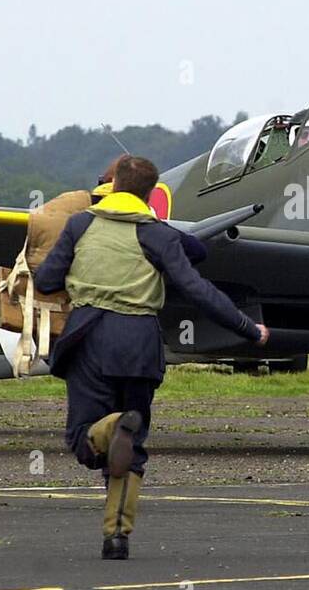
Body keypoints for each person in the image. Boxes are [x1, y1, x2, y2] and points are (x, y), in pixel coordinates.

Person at [35, 155, 268, 560]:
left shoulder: (80, 225)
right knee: (134, 447)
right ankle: (116, 538)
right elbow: (198, 287)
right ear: (150, 194)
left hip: (90, 338)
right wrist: (249, 328)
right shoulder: (158, 235)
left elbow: (46, 280)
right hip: (140, 344)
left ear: (114, 185)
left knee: (82, 439)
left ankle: (108, 430)